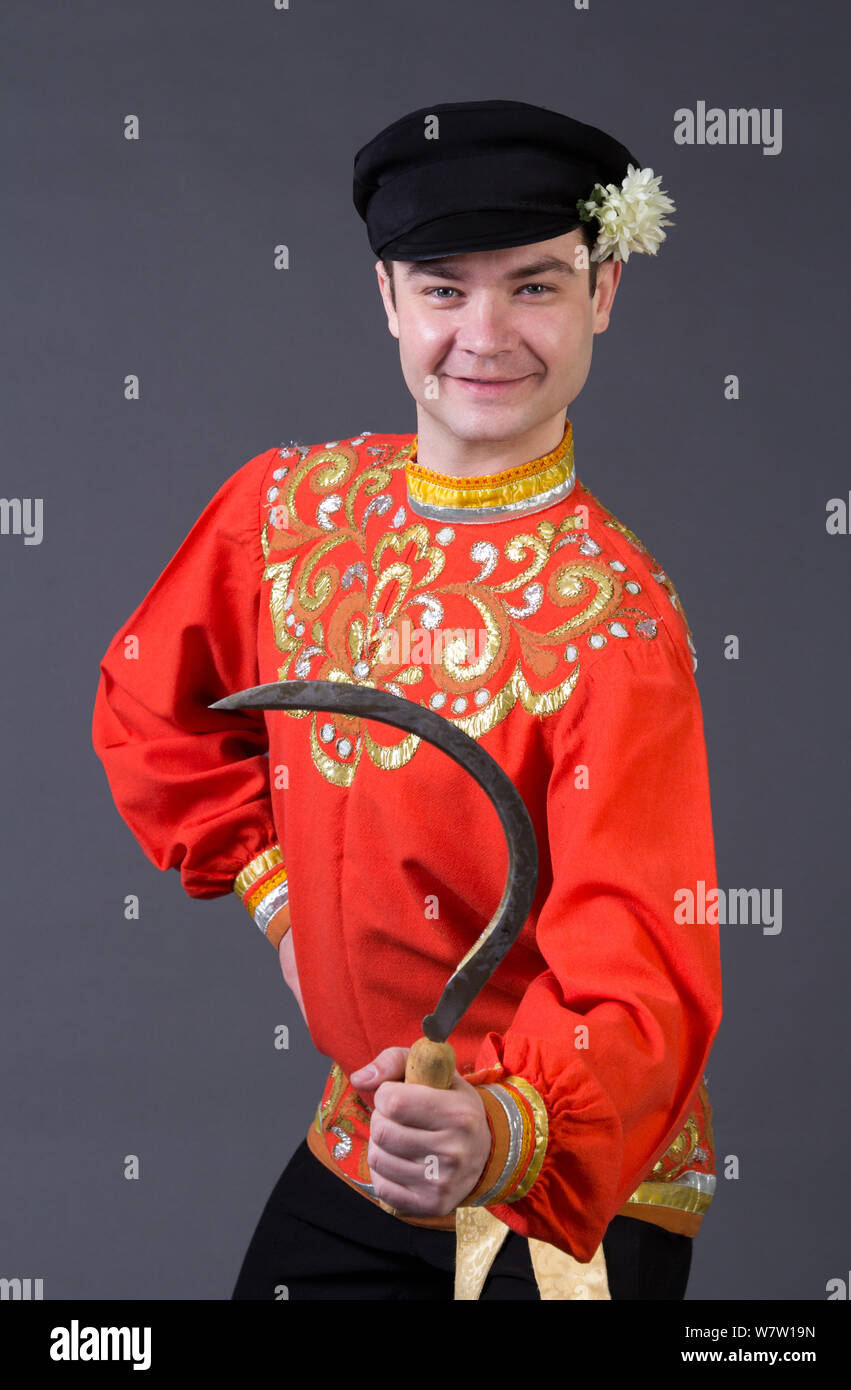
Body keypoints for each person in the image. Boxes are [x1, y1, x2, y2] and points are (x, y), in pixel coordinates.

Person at [92, 99, 722, 1300]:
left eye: (534, 285)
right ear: (387, 298)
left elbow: (636, 958)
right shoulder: (286, 510)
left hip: (558, 1185)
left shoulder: (618, 620)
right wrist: (279, 900)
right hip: (364, 1134)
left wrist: (502, 1129)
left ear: (603, 294)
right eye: (443, 289)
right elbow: (152, 705)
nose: (485, 334)